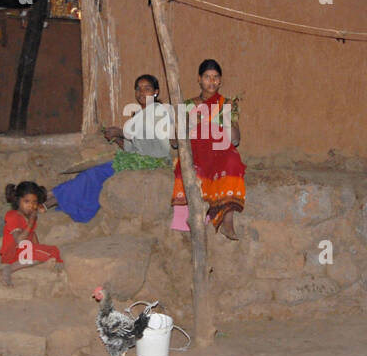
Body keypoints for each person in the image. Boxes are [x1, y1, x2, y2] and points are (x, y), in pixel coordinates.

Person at [50, 74, 174, 222]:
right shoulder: (139, 114)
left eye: (147, 88)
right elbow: (134, 146)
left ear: (156, 92)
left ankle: (53, 198)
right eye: (138, 89)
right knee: (90, 174)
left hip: (152, 161)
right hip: (138, 159)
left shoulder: (159, 112)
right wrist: (116, 139)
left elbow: (153, 146)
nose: (142, 93)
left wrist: (121, 133)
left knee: (95, 174)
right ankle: (54, 196)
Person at [171, 58, 245, 240]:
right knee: (192, 168)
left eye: (215, 77)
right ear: (199, 79)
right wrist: (187, 123)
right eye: (207, 77)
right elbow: (174, 141)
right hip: (196, 149)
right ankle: (192, 221)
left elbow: (235, 140)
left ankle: (227, 222)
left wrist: (226, 120)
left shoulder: (227, 104)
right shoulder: (187, 105)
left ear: (220, 80)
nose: (211, 82)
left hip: (220, 149)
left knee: (233, 162)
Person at [0, 181, 63, 286]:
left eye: (34, 202)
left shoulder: (28, 217)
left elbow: (32, 235)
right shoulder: (13, 216)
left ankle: (36, 261)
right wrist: (31, 222)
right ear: (17, 200)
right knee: (52, 252)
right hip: (12, 253)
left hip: (24, 252)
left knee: (49, 251)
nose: (31, 206)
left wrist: (38, 248)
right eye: (27, 201)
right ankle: (8, 269)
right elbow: (19, 240)